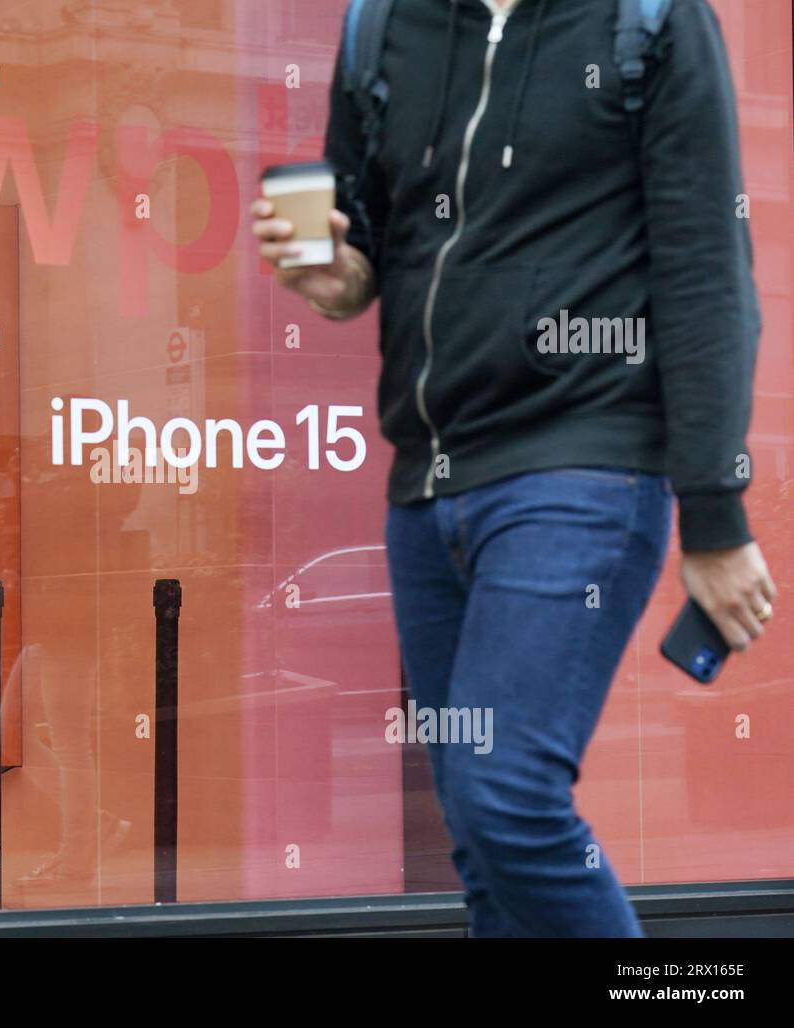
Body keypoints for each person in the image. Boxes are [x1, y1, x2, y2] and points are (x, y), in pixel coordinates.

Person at [250, 0, 775, 937]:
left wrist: (714, 511)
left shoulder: (645, 20)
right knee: (478, 842)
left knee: (508, 801)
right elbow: (370, 249)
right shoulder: (382, 26)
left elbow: (705, 270)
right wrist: (334, 276)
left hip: (583, 463)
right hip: (427, 487)